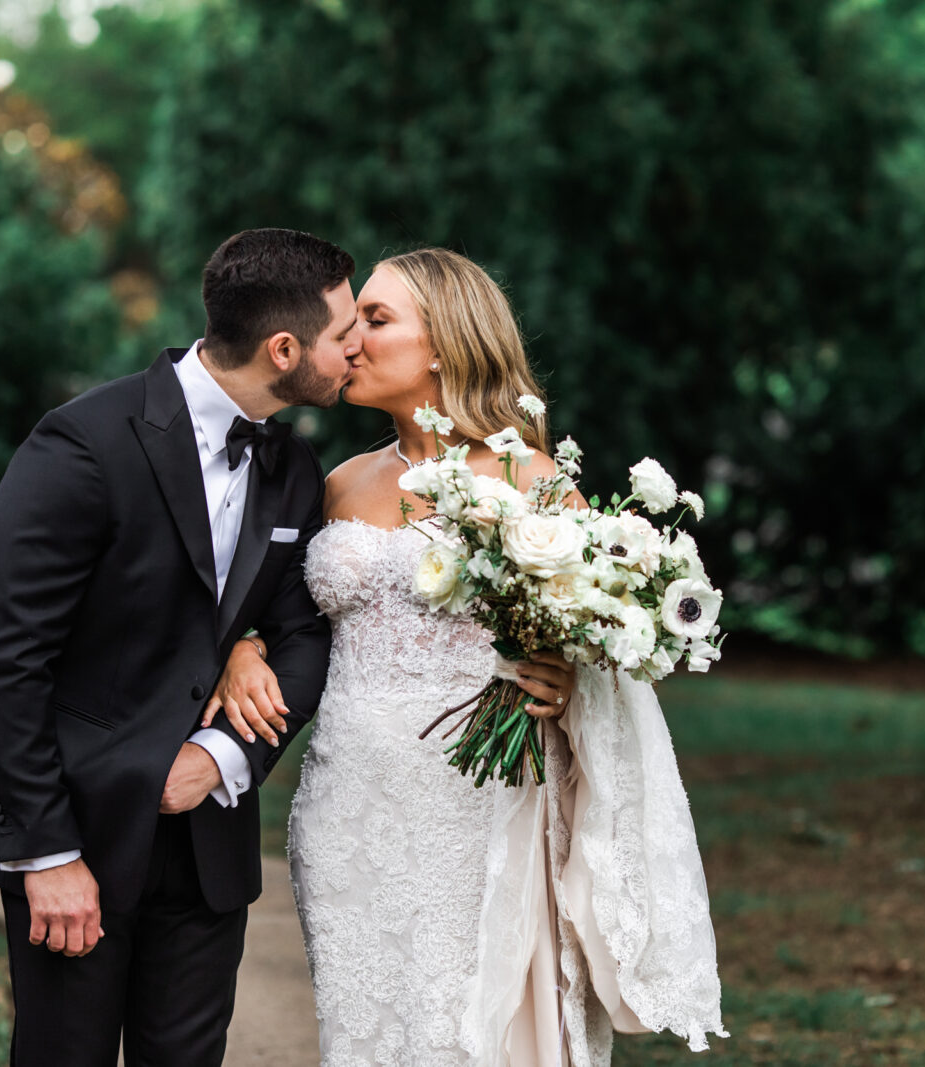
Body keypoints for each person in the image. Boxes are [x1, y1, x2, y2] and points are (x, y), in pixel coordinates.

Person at [207, 247, 727, 1065]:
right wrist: (243, 646)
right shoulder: (337, 483)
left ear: (444, 345)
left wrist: (570, 682)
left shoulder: (534, 482)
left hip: (478, 803)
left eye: (375, 319)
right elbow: (272, 610)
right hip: (348, 810)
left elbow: (601, 630)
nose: (349, 339)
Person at [0, 228, 359, 1066]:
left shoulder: (294, 466)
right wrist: (48, 852)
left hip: (208, 849)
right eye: (344, 331)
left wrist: (221, 756)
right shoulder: (83, 444)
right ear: (284, 349)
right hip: (79, 832)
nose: (355, 348)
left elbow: (303, 634)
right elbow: (6, 658)